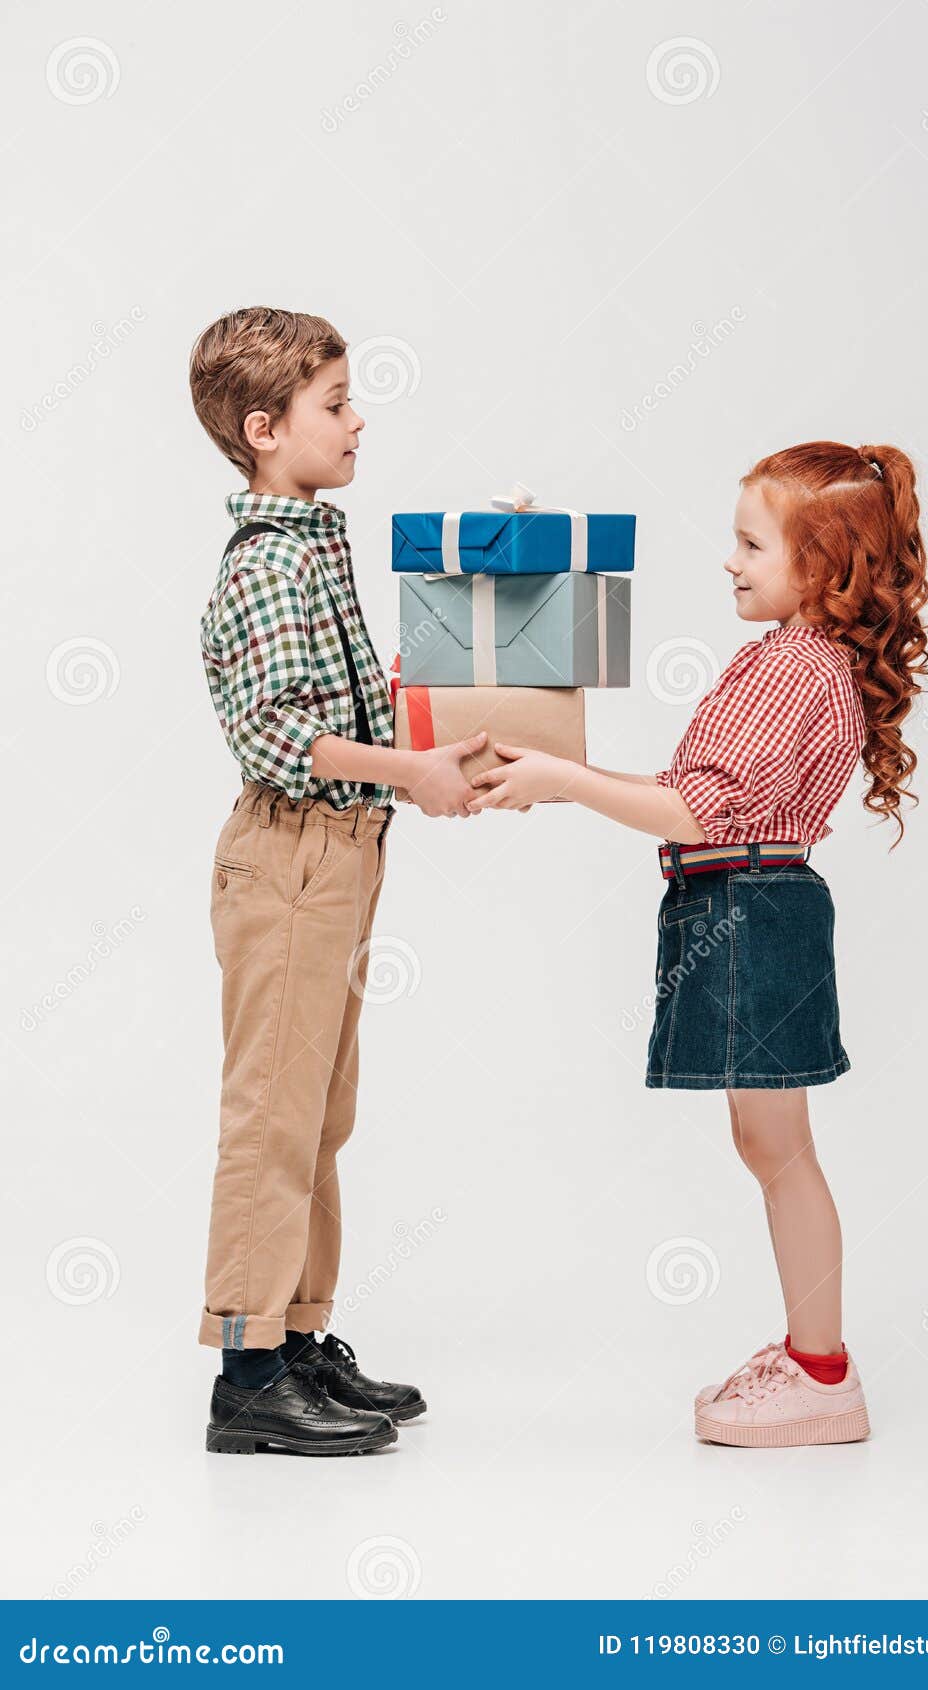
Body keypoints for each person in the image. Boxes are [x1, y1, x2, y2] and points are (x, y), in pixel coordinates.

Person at [469, 441, 928, 1448]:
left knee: (780, 1150)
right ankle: (815, 1357)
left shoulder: (791, 665)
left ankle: (822, 1375)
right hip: (750, 901)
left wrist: (565, 779)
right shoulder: (795, 660)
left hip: (750, 904)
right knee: (772, 1144)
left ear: (824, 568)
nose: (730, 561)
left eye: (751, 543)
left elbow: (697, 809)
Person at [190, 306, 485, 1456]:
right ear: (266, 430)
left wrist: (439, 714)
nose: (358, 420)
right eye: (334, 404)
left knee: (319, 1110)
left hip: (342, 854)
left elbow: (340, 704)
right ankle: (246, 1371)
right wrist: (409, 769)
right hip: (292, 858)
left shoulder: (319, 536)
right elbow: (274, 732)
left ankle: (300, 1332)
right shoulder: (268, 561)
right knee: (271, 1111)